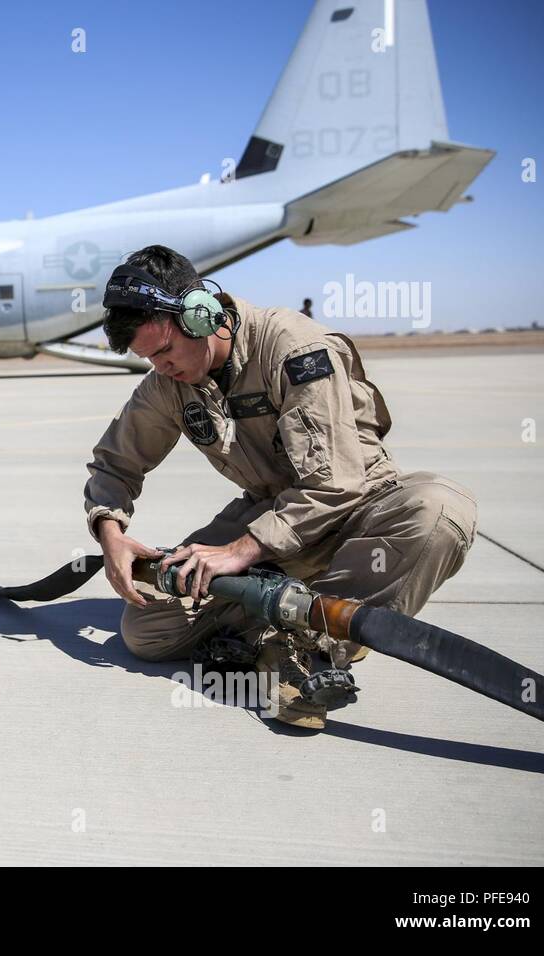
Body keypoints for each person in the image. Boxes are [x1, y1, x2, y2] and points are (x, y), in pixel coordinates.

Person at [84, 245, 477, 730]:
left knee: (438, 510)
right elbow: (115, 464)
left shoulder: (294, 348)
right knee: (149, 629)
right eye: (148, 358)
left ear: (201, 317)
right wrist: (110, 532)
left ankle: (308, 648)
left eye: (163, 350)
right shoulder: (169, 383)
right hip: (272, 513)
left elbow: (334, 484)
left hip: (357, 510)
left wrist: (240, 550)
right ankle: (298, 611)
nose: (160, 367)